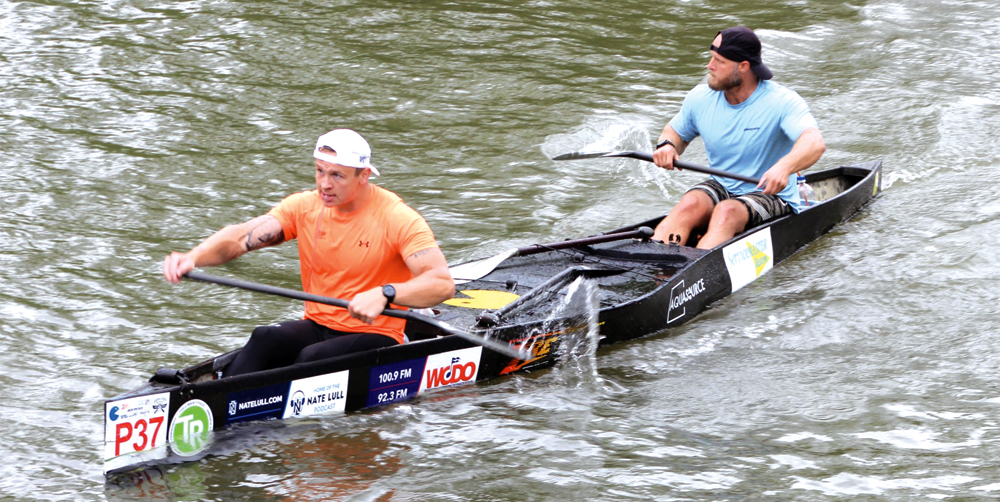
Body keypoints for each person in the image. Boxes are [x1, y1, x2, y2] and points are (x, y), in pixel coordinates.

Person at [163, 129, 455, 376]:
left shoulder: (396, 217)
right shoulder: (305, 206)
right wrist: (193, 258)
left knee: (311, 360)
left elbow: (441, 283)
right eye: (320, 171)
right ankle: (216, 403)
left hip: (376, 333)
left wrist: (386, 293)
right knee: (264, 337)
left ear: (363, 175)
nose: (324, 184)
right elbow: (241, 237)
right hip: (317, 324)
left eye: (337, 175)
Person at [651, 26, 826, 249]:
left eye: (719, 61)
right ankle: (653, 263)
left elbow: (814, 142)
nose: (709, 66)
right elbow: (676, 131)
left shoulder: (782, 102)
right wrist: (667, 145)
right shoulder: (700, 98)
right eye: (711, 58)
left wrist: (784, 167)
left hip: (771, 193)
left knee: (727, 211)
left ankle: (693, 274)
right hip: (722, 185)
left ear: (743, 66)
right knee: (690, 203)